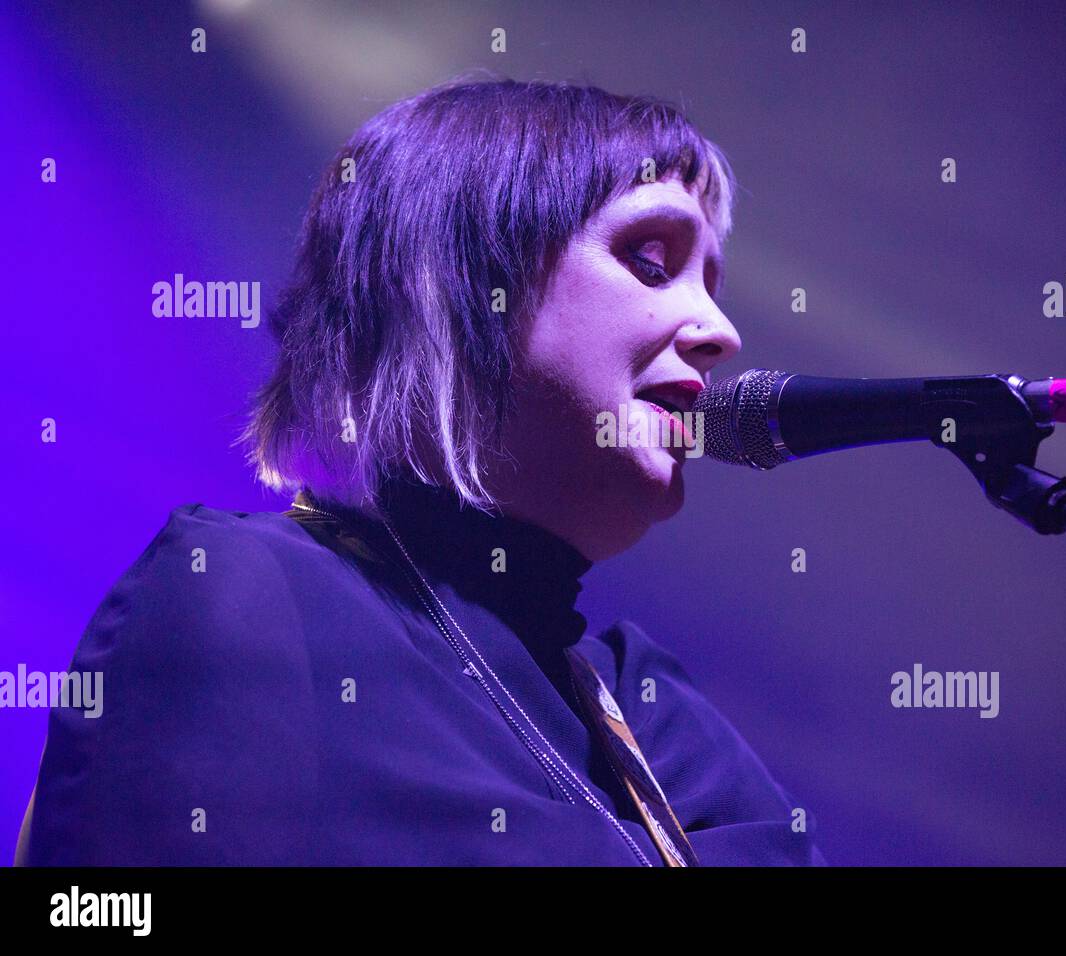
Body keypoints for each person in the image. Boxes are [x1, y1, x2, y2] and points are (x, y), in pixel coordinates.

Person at [18, 77, 827, 866]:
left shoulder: (655, 707)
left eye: (711, 283)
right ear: (459, 284)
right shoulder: (254, 594)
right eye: (651, 260)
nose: (720, 332)